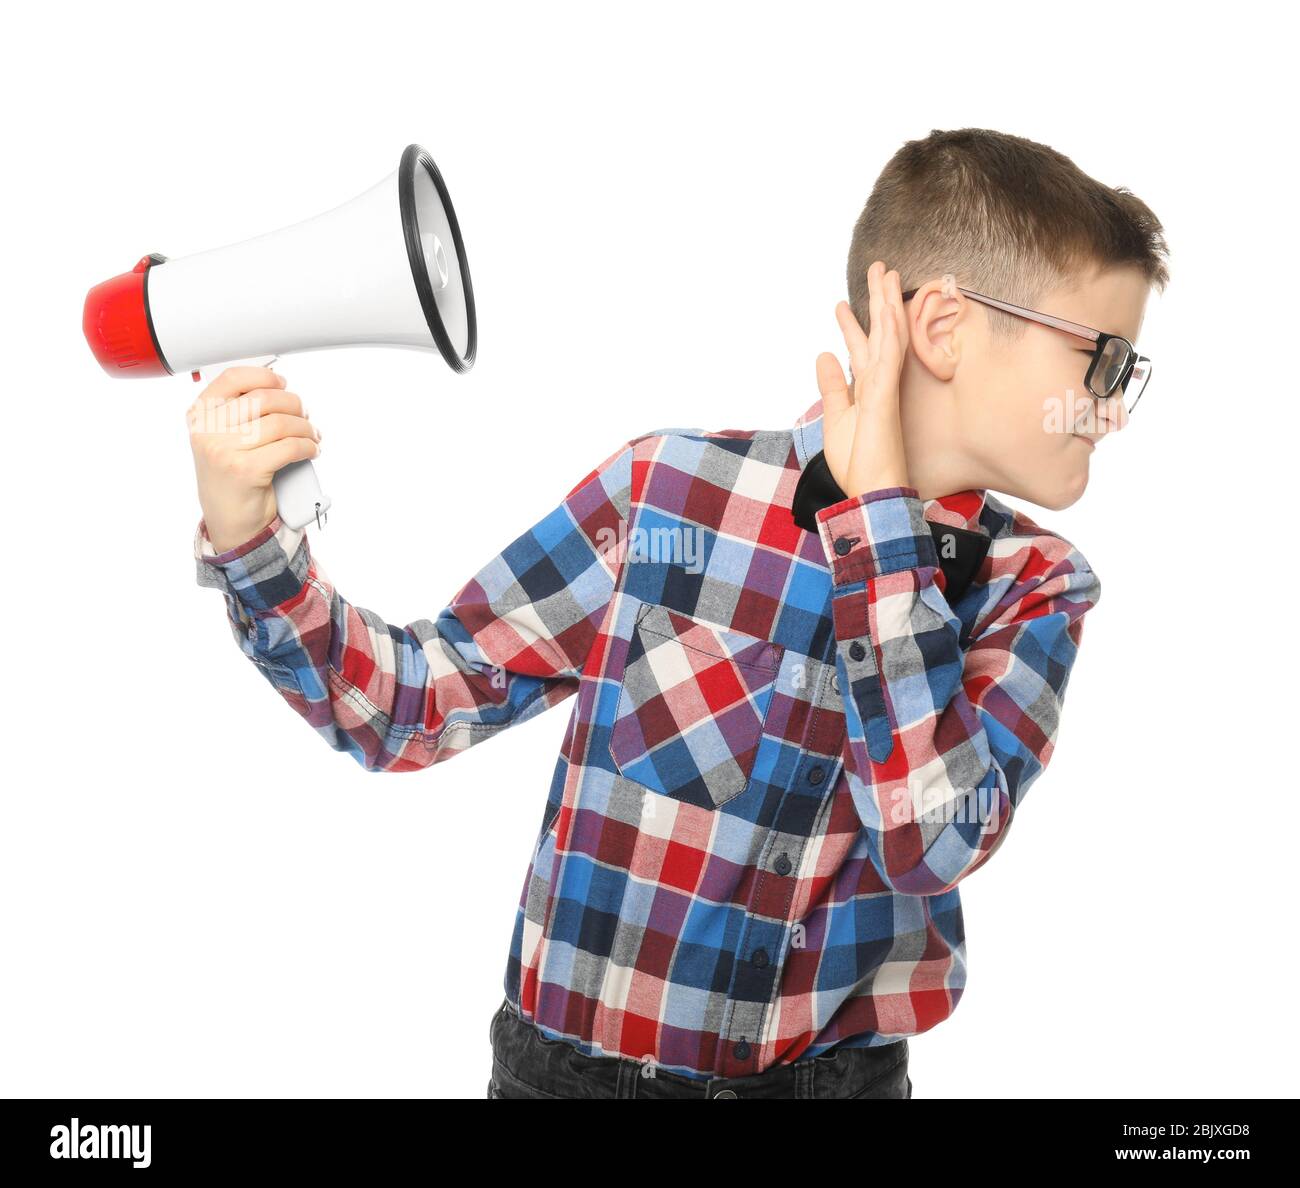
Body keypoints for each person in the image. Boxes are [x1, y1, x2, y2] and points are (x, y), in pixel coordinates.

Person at [188, 127, 1168, 1100]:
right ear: (945, 328)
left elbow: (930, 843)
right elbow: (403, 711)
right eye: (1101, 359)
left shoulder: (1033, 585)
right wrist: (250, 545)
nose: (1111, 406)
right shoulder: (666, 497)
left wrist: (875, 529)